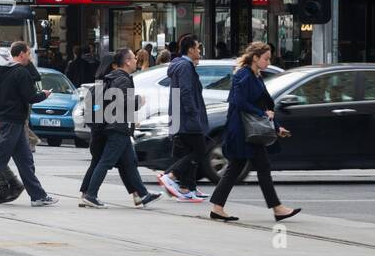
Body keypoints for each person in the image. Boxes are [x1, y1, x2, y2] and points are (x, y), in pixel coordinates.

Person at [208, 42, 300, 223]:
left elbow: (262, 105)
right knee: (260, 167)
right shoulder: (244, 75)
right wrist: (263, 114)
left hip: (248, 130)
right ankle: (277, 208)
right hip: (243, 131)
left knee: (235, 168)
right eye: (266, 58)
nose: (268, 62)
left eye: (269, 58)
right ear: (255, 58)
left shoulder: (254, 75)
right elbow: (240, 102)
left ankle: (217, 207)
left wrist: (275, 126)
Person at [0, 41, 55, 207]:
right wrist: (44, 95)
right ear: (21, 54)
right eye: (28, 54)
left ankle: (37, 195)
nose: (29, 57)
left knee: (25, 160)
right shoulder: (21, 73)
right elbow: (30, 97)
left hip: (5, 120)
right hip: (14, 121)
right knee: (0, 158)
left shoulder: (0, 71)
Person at [79, 48, 161, 209]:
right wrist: (139, 101)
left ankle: (142, 195)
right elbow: (121, 101)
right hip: (118, 127)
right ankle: (91, 195)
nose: (137, 60)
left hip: (116, 125)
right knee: (105, 162)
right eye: (134, 58)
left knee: (130, 162)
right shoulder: (123, 79)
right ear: (128, 62)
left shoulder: (113, 78)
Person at [158, 34, 210, 202]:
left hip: (181, 116)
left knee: (189, 151)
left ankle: (187, 188)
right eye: (198, 48)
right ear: (190, 50)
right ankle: (171, 176)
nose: (200, 51)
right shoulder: (185, 67)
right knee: (200, 151)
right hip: (187, 117)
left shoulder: (180, 65)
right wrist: (194, 113)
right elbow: (186, 92)